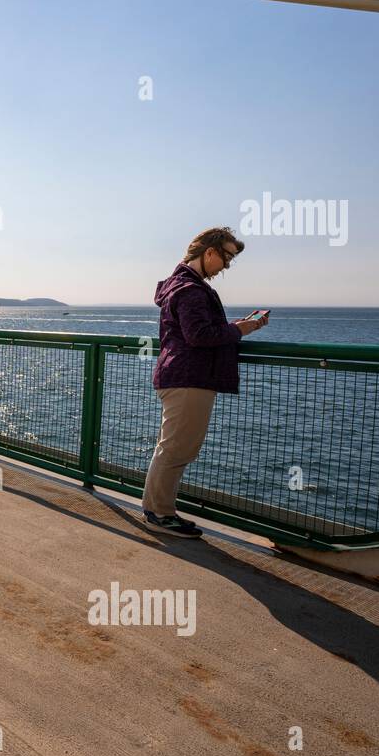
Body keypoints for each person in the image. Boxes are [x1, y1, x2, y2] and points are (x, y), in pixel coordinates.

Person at [142, 227, 269, 538]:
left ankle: (156, 509)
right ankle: (159, 514)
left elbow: (196, 331)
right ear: (209, 252)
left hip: (180, 374)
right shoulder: (191, 290)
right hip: (189, 377)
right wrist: (242, 329)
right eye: (226, 257)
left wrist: (233, 327)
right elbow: (199, 335)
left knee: (173, 447)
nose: (225, 266)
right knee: (176, 448)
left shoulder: (180, 285)